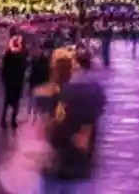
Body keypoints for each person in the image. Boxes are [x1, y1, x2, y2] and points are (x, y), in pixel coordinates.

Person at [45, 49, 107, 193]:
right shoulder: (94, 87)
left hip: (64, 158)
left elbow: (57, 125)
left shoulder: (63, 92)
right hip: (81, 161)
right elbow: (99, 108)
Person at [2, 35, 29, 129]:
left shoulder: (8, 54)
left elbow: (4, 69)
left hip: (10, 81)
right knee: (16, 102)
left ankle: (4, 120)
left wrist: (4, 80)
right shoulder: (22, 55)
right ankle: (13, 121)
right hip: (17, 80)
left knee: (7, 101)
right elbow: (24, 67)